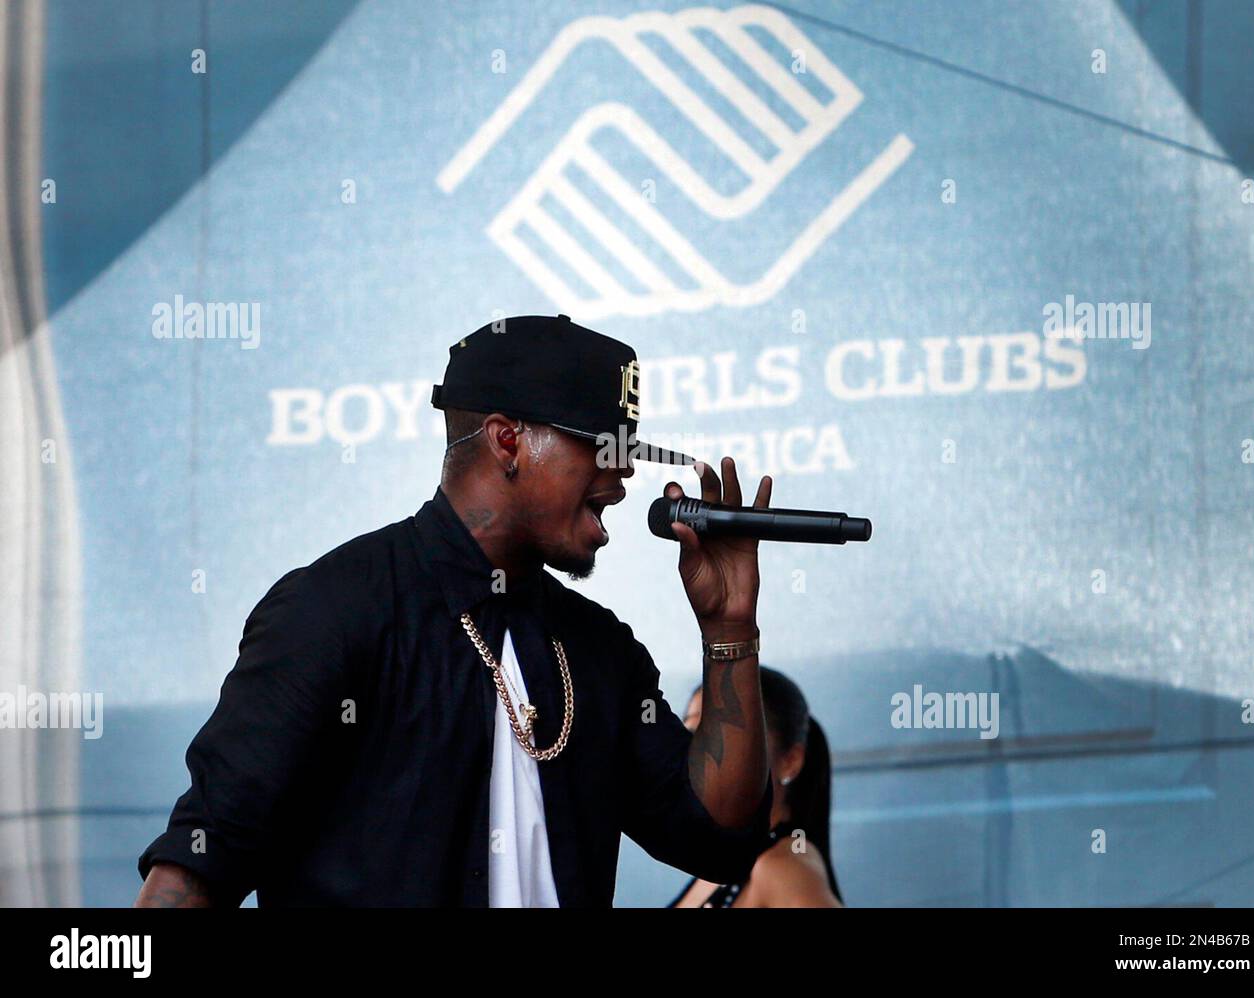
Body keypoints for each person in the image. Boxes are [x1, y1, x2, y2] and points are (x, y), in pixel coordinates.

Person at [135, 314, 776, 907]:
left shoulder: (599, 650)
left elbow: (719, 837)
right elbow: (200, 863)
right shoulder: (335, 610)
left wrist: (729, 630)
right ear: (507, 442)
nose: (624, 473)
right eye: (603, 447)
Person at [669, 667, 842, 907]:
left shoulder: (783, 867)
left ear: (790, 761)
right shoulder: (728, 859)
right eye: (691, 732)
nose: (701, 752)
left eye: (724, 737)